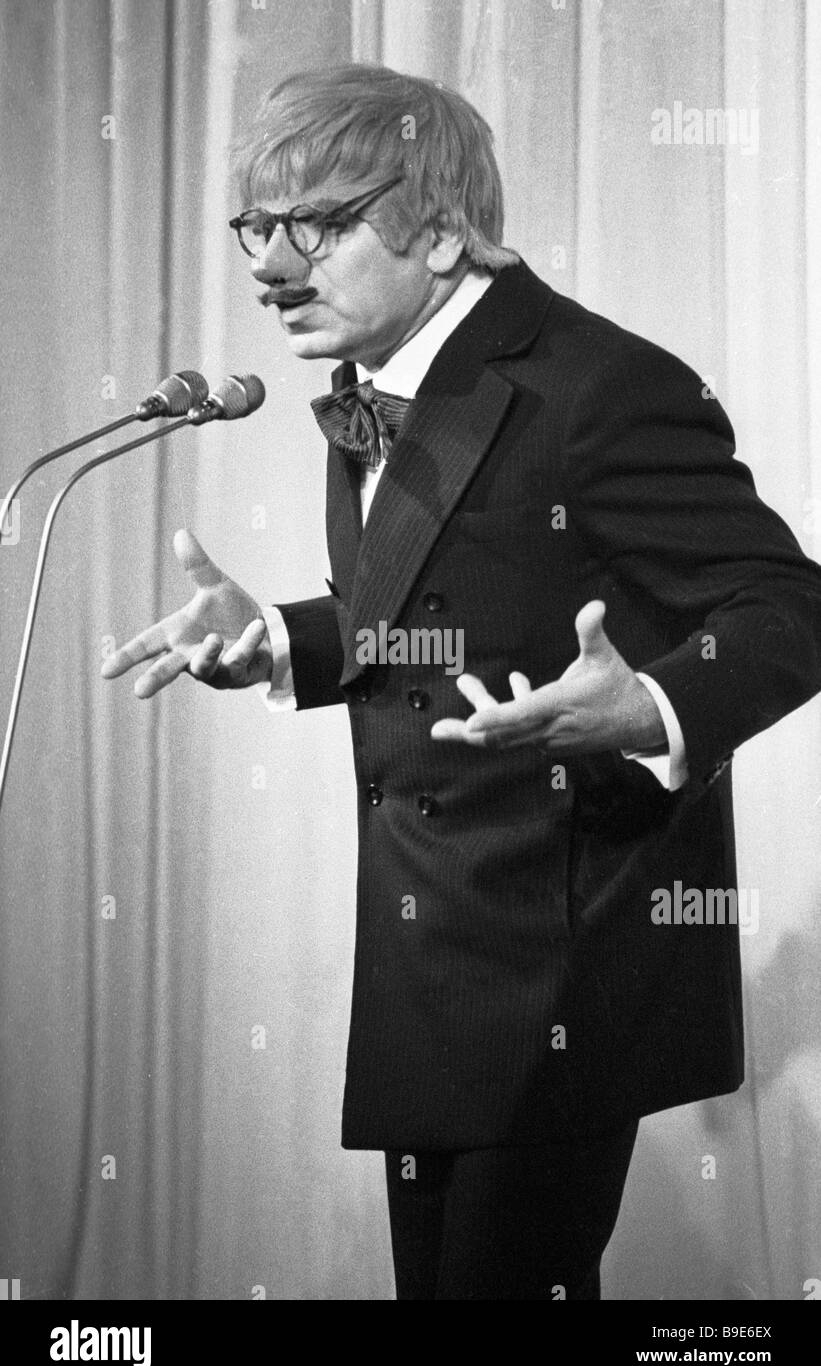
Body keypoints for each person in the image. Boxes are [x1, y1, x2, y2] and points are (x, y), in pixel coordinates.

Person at [101, 64, 821, 1300]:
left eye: (316, 227)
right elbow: (445, 608)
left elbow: (789, 607)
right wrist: (281, 636)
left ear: (437, 231)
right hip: (429, 961)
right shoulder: (378, 383)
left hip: (561, 961)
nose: (272, 268)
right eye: (257, 229)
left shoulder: (598, 386)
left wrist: (650, 705)